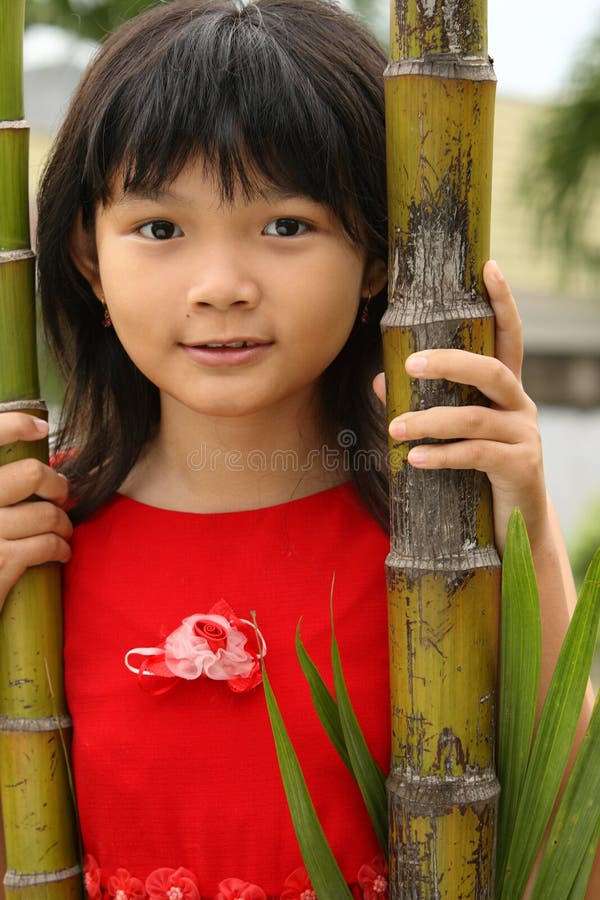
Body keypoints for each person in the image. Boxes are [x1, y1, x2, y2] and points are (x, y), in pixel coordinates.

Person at [0, 1, 593, 897]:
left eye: (286, 226)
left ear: (378, 260)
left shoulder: (436, 539)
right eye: (161, 229)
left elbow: (572, 860)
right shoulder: (38, 541)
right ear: (88, 257)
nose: (222, 288)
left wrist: (523, 524)